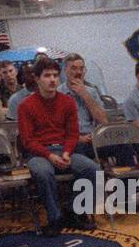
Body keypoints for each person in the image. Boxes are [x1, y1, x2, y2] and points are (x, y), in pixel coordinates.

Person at [17, 58, 97, 236]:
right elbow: (27, 141)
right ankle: (54, 218)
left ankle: (75, 212)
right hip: (39, 154)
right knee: (43, 172)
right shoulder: (25, 106)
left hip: (65, 149)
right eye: (47, 76)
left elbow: (72, 134)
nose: (52, 80)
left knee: (92, 168)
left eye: (55, 75)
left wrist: (67, 152)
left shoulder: (67, 102)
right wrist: (49, 155)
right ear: (37, 79)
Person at [58, 54, 109, 157]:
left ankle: (126, 173)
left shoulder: (92, 91)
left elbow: (103, 120)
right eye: (74, 68)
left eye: (82, 69)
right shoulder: (58, 94)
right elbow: (56, 126)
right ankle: (99, 173)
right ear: (65, 70)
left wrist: (85, 95)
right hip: (72, 139)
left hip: (94, 136)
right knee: (82, 150)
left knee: (123, 146)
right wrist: (77, 138)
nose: (79, 72)